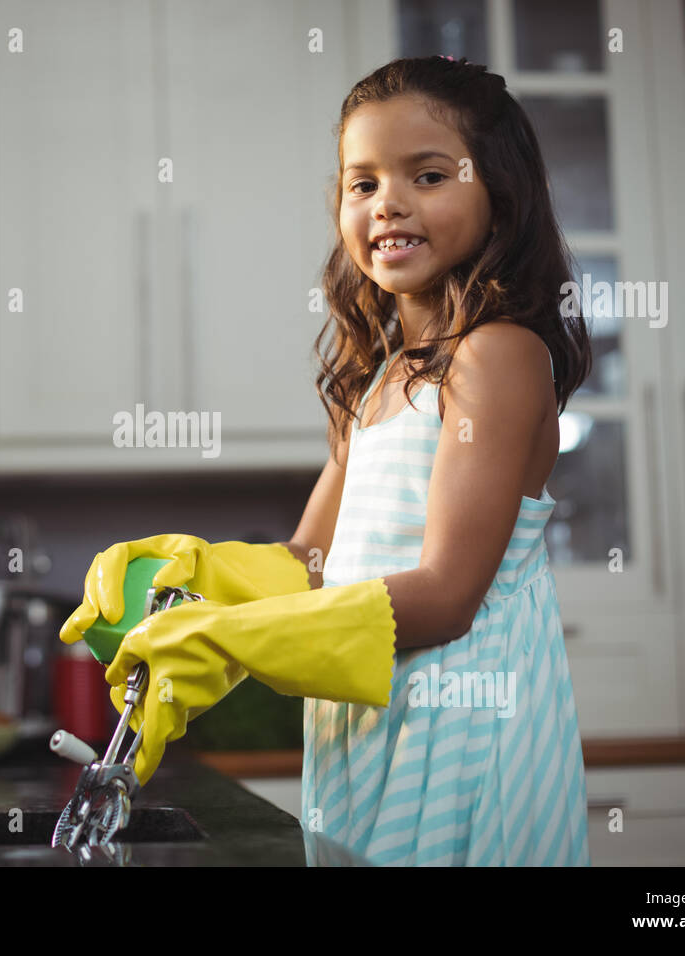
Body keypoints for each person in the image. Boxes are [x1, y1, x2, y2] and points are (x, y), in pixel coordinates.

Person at [60, 55, 592, 866]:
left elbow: (448, 597)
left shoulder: (500, 357)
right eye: (363, 183)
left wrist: (232, 638)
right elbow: (310, 562)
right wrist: (196, 578)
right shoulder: (379, 380)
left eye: (429, 175)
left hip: (460, 745)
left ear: (502, 196)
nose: (390, 205)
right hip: (367, 735)